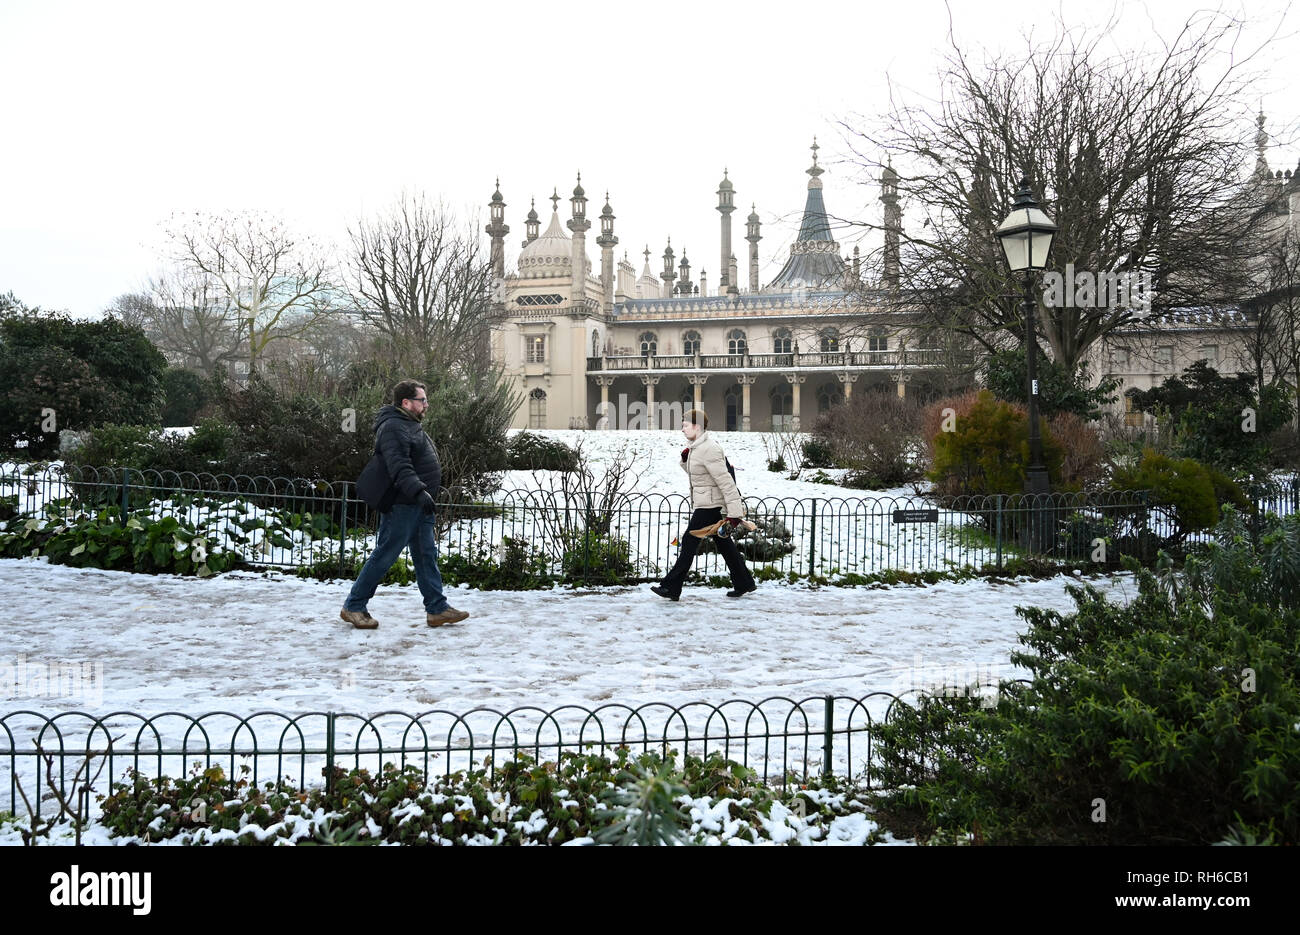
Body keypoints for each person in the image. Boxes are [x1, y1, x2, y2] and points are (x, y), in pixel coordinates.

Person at [340, 379, 470, 629]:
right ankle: (354, 605)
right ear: (406, 402)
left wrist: (423, 497)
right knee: (385, 556)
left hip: (418, 505)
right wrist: (420, 492)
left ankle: (437, 608)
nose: (426, 405)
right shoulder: (393, 427)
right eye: (422, 400)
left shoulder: (408, 424)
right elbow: (399, 466)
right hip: (403, 504)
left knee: (425, 556)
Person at [651, 408, 757, 600]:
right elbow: (700, 477)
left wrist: (735, 512)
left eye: (685, 425)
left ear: (696, 426)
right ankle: (744, 582)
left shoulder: (709, 449)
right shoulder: (697, 448)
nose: (682, 429)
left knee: (689, 541)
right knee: (724, 544)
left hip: (710, 506)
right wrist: (685, 460)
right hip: (707, 503)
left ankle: (671, 587)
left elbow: (725, 481)